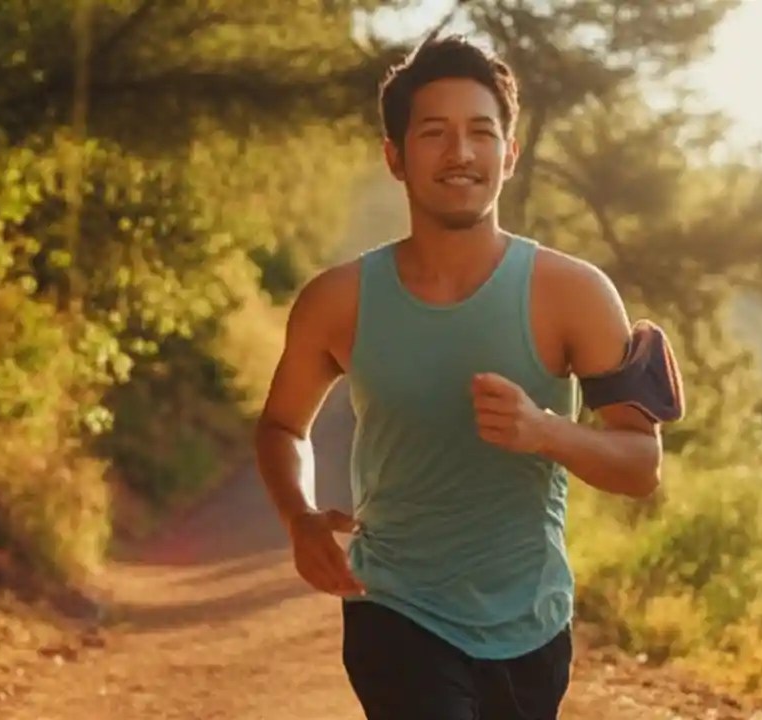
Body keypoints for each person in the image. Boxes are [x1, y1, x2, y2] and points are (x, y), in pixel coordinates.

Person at [254, 34, 674, 720]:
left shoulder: (574, 294)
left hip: (532, 626)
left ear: (509, 154)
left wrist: (545, 432)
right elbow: (280, 426)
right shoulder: (337, 302)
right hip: (396, 609)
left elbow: (641, 466)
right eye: (434, 133)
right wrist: (299, 518)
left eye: (481, 132)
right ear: (395, 156)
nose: (460, 152)